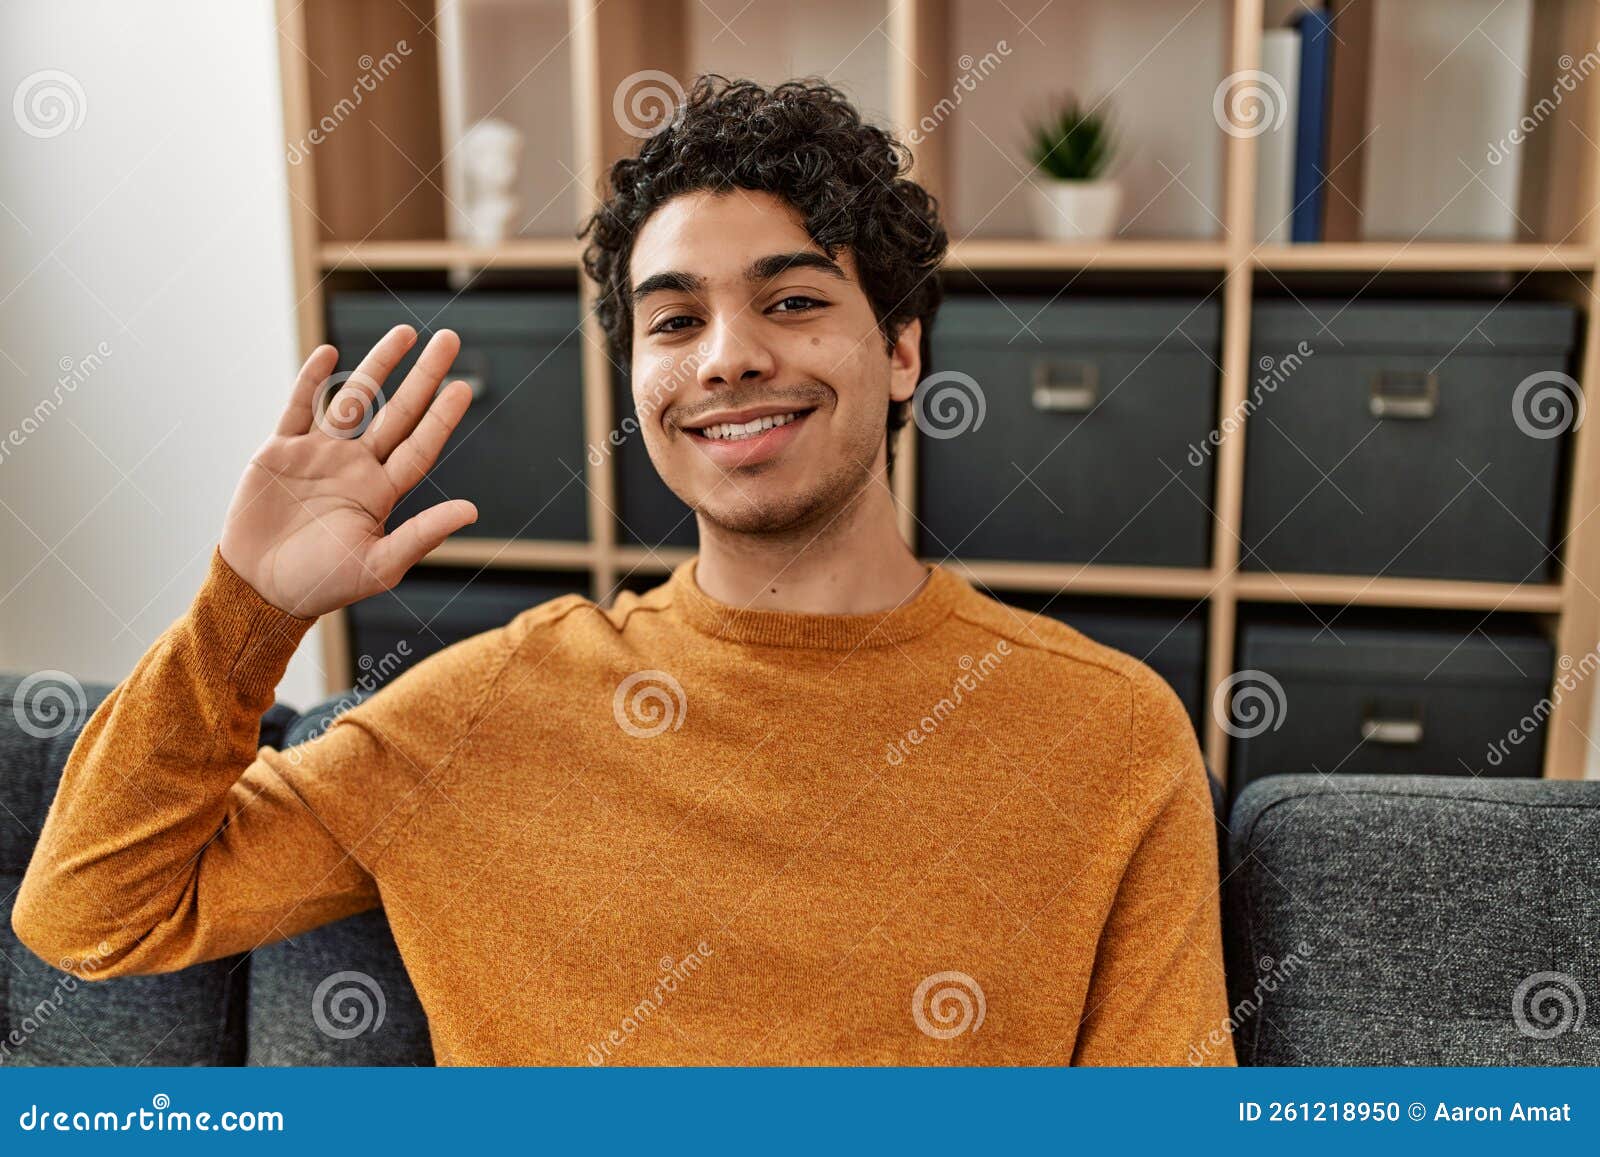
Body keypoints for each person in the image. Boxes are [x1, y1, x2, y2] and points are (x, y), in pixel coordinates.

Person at [12, 76, 1235, 1066]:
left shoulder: (1108, 731)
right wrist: (251, 610)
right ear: (638, 380)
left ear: (902, 347)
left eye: (794, 300)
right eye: (673, 320)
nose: (728, 358)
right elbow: (90, 912)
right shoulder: (485, 707)